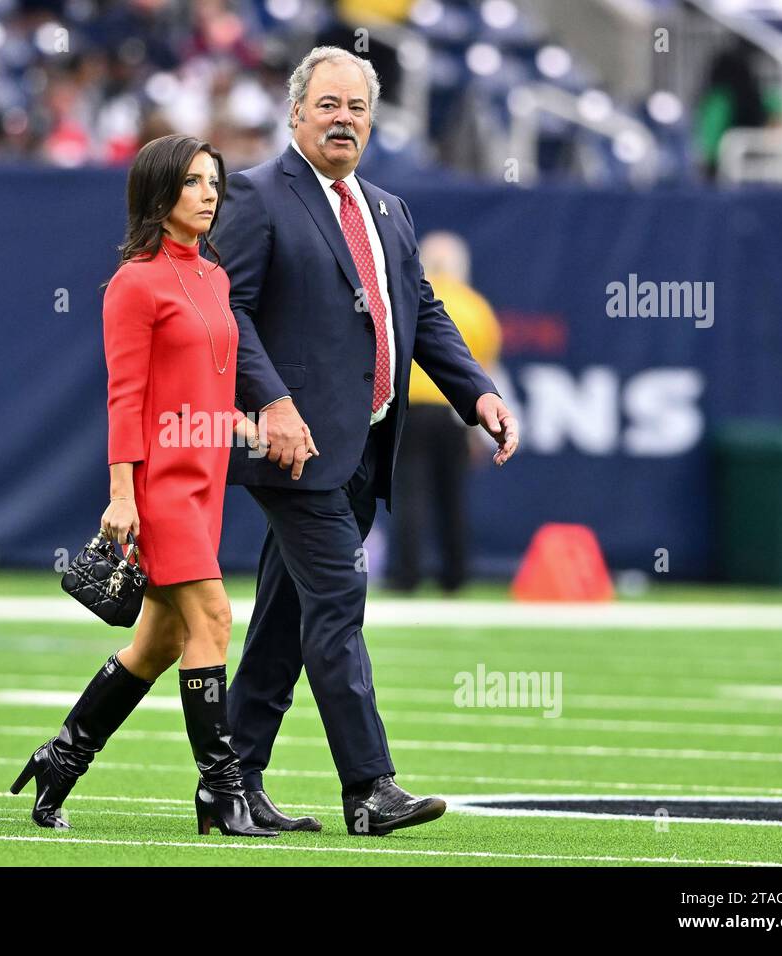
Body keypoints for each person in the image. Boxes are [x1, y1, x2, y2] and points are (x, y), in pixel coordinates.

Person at [215, 47, 520, 836]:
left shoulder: (387, 208)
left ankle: (232, 782)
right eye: (328, 105)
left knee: (283, 624)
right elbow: (229, 314)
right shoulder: (254, 196)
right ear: (295, 114)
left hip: (368, 445)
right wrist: (273, 404)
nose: (343, 118)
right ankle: (369, 788)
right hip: (295, 446)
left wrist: (476, 392)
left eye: (356, 107)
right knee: (340, 604)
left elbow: (420, 312)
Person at [11, 133, 276, 837]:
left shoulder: (213, 278)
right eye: (194, 182)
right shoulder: (135, 283)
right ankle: (222, 793)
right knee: (215, 619)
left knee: (159, 643)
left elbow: (209, 383)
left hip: (206, 477)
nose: (210, 193)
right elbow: (125, 398)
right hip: (159, 484)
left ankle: (60, 757)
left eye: (214, 181)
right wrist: (122, 494)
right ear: (159, 195)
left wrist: (247, 429)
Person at [388, 231, 502, 594]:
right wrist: (477, 430)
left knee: (410, 494)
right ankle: (455, 574)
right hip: (455, 412)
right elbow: (483, 375)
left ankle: (406, 575)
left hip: (410, 408)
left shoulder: (408, 298)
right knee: (452, 496)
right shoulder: (476, 307)